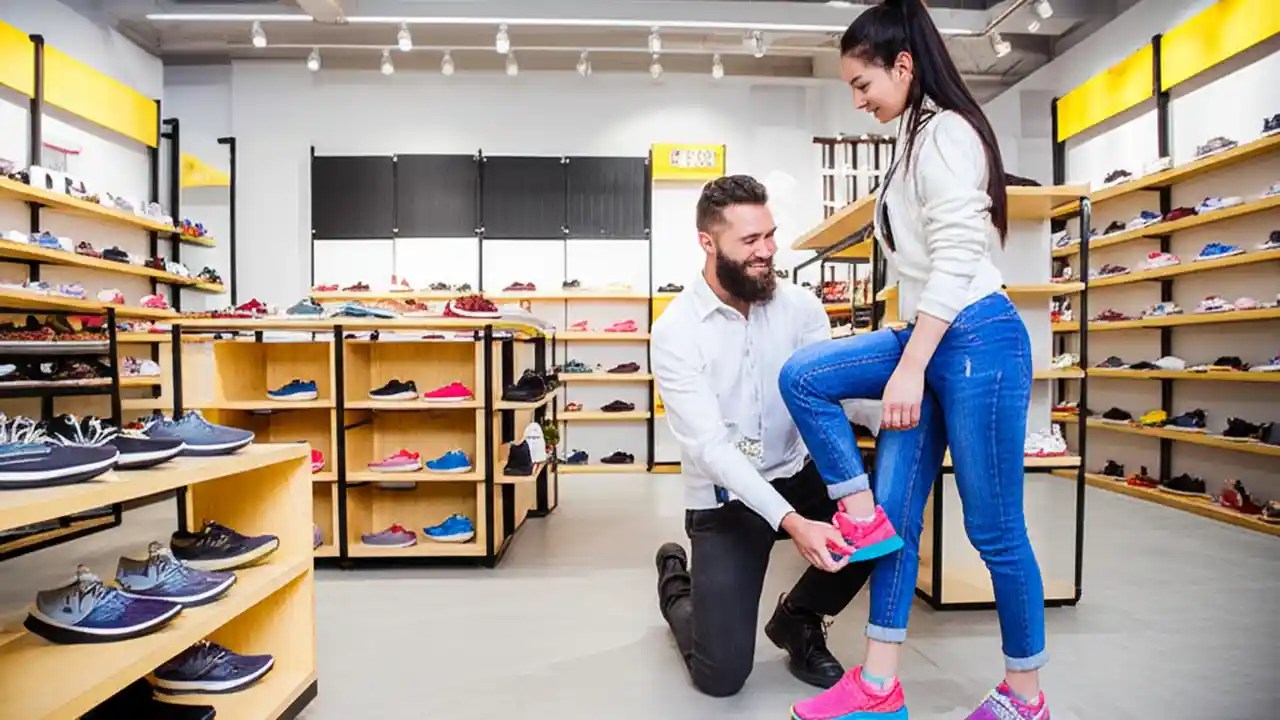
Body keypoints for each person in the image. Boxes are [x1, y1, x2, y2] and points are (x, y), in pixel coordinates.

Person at [780, 1, 1051, 718]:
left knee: (994, 528)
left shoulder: (948, 135)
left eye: (862, 84)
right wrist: (909, 354)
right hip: (930, 336)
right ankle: (877, 685)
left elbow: (962, 259)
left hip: (977, 340)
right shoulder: (911, 137)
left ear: (904, 65)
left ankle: (1025, 696)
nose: (858, 100)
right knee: (807, 380)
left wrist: (909, 364)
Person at [651, 175, 875, 698]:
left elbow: (834, 389)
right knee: (721, 676)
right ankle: (675, 581)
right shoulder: (676, 331)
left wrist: (894, 412)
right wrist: (794, 524)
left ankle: (798, 618)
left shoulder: (800, 307)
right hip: (726, 496)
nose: (767, 251)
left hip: (797, 472)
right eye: (750, 241)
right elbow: (710, 450)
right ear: (708, 243)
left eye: (770, 236)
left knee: (878, 520)